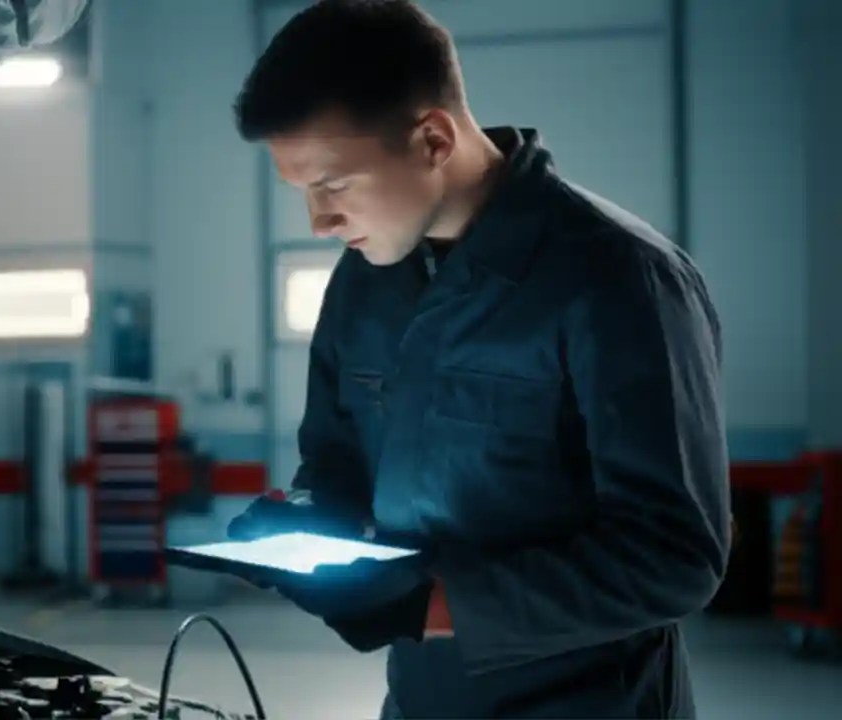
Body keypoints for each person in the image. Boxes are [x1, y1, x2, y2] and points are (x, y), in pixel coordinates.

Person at [225, 1, 730, 717]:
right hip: (420, 701)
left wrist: (431, 607)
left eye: (333, 184)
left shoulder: (619, 277)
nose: (320, 221)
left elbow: (675, 557)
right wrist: (304, 527)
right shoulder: (365, 282)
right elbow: (337, 467)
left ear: (433, 139)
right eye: (303, 192)